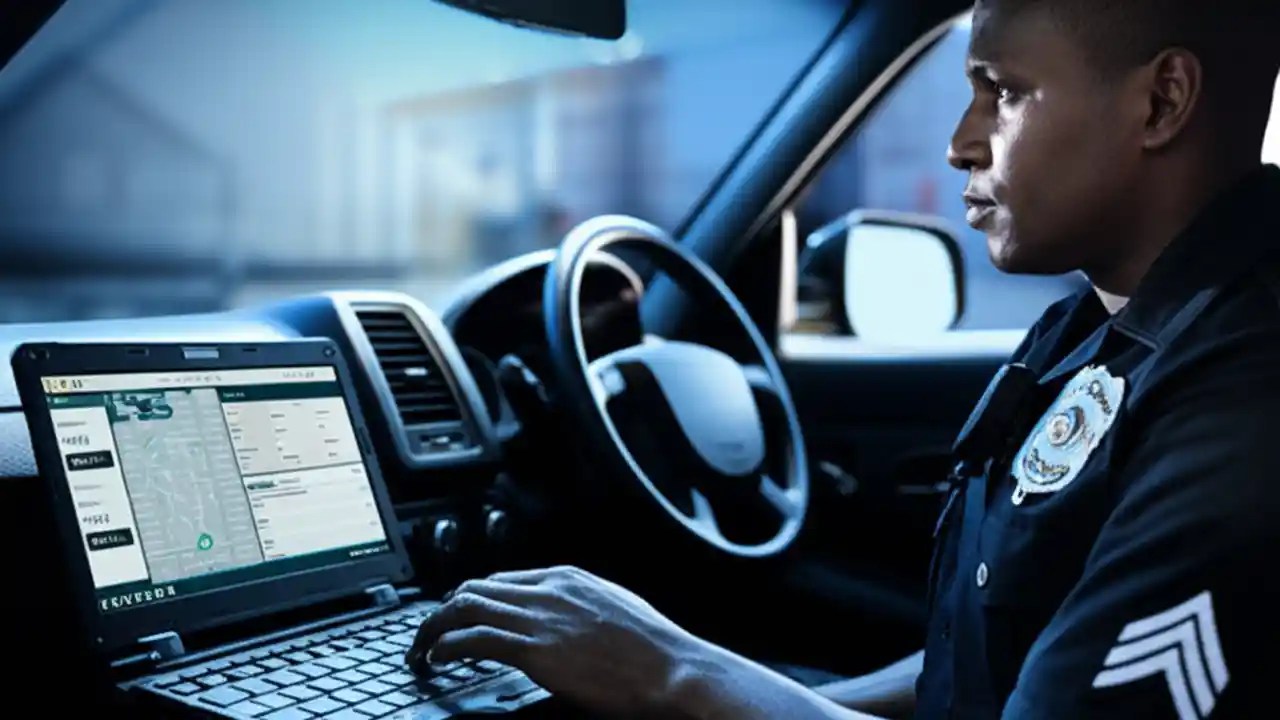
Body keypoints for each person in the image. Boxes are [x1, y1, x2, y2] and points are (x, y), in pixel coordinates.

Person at [405, 0, 1280, 716]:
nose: (960, 142)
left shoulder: (1243, 401)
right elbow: (992, 653)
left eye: (1002, 92)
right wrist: (781, 693)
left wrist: (668, 672)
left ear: (1162, 101)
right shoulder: (1100, 324)